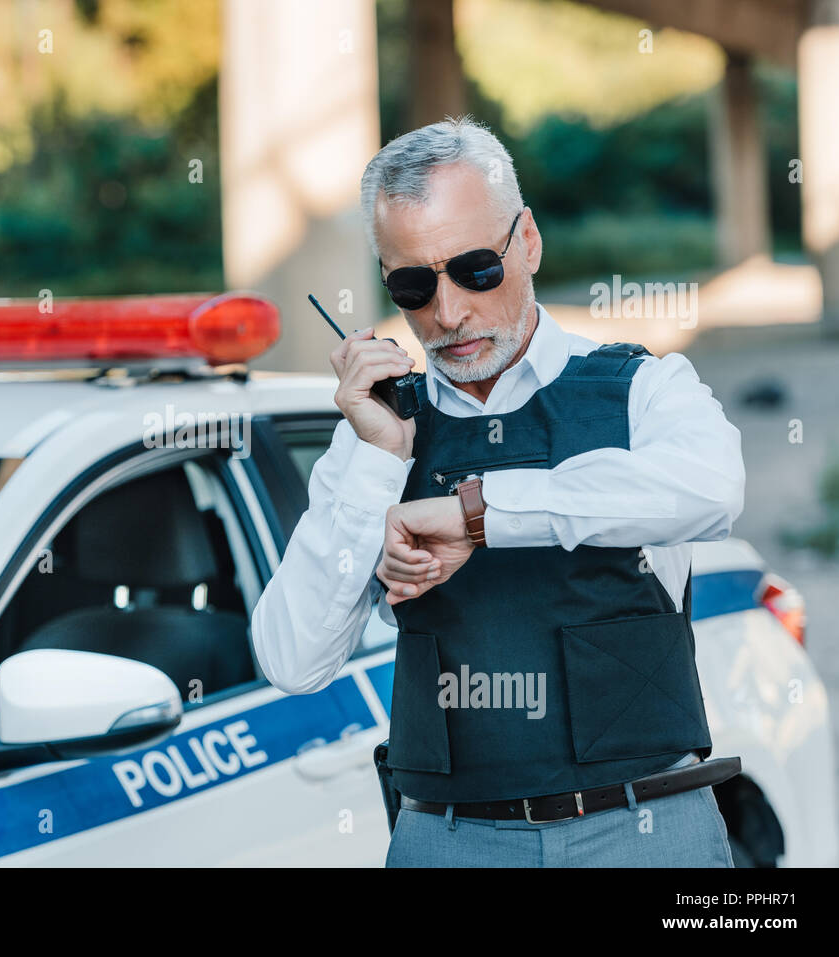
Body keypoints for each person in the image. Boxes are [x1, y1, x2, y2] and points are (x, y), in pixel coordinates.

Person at [250, 116, 745, 867]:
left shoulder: (640, 388)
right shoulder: (380, 432)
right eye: (414, 284)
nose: (447, 314)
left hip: (645, 827)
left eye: (475, 267)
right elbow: (292, 659)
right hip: (450, 838)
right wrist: (378, 457)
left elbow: (714, 488)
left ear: (530, 242)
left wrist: (476, 513)